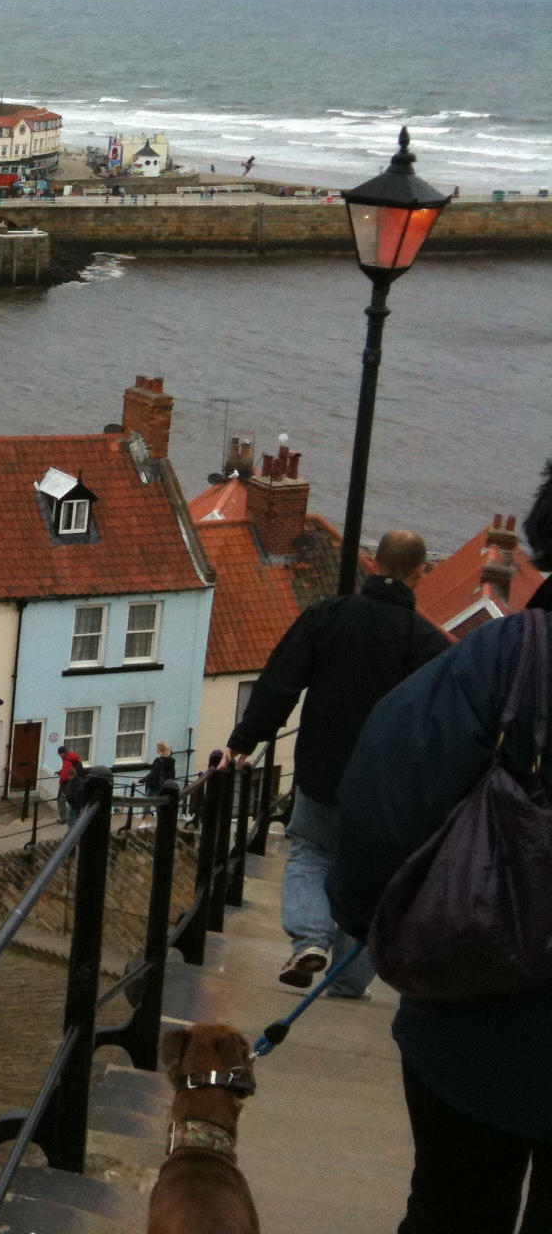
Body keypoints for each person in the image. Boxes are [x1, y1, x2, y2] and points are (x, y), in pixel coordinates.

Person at [331, 464, 552, 1234]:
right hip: (475, 1024)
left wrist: (374, 932)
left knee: (454, 1211)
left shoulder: (503, 660)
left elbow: (381, 816)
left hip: (475, 1012)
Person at [228, 529, 449, 993]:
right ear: (418, 573)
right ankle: (348, 982)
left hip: (322, 769)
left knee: (311, 852)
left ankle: (309, 940)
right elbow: (442, 722)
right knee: (373, 876)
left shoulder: (328, 616)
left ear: (373, 564)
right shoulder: (426, 642)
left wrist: (245, 739)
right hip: (386, 787)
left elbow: (281, 680)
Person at [55, 744, 85, 822]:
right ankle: (73, 818)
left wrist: (62, 778)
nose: (59, 756)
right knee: (71, 800)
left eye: (59, 754)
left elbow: (66, 773)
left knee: (62, 801)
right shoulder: (72, 758)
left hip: (66, 784)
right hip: (71, 782)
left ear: (62, 753)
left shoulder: (67, 759)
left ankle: (65, 819)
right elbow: (68, 770)